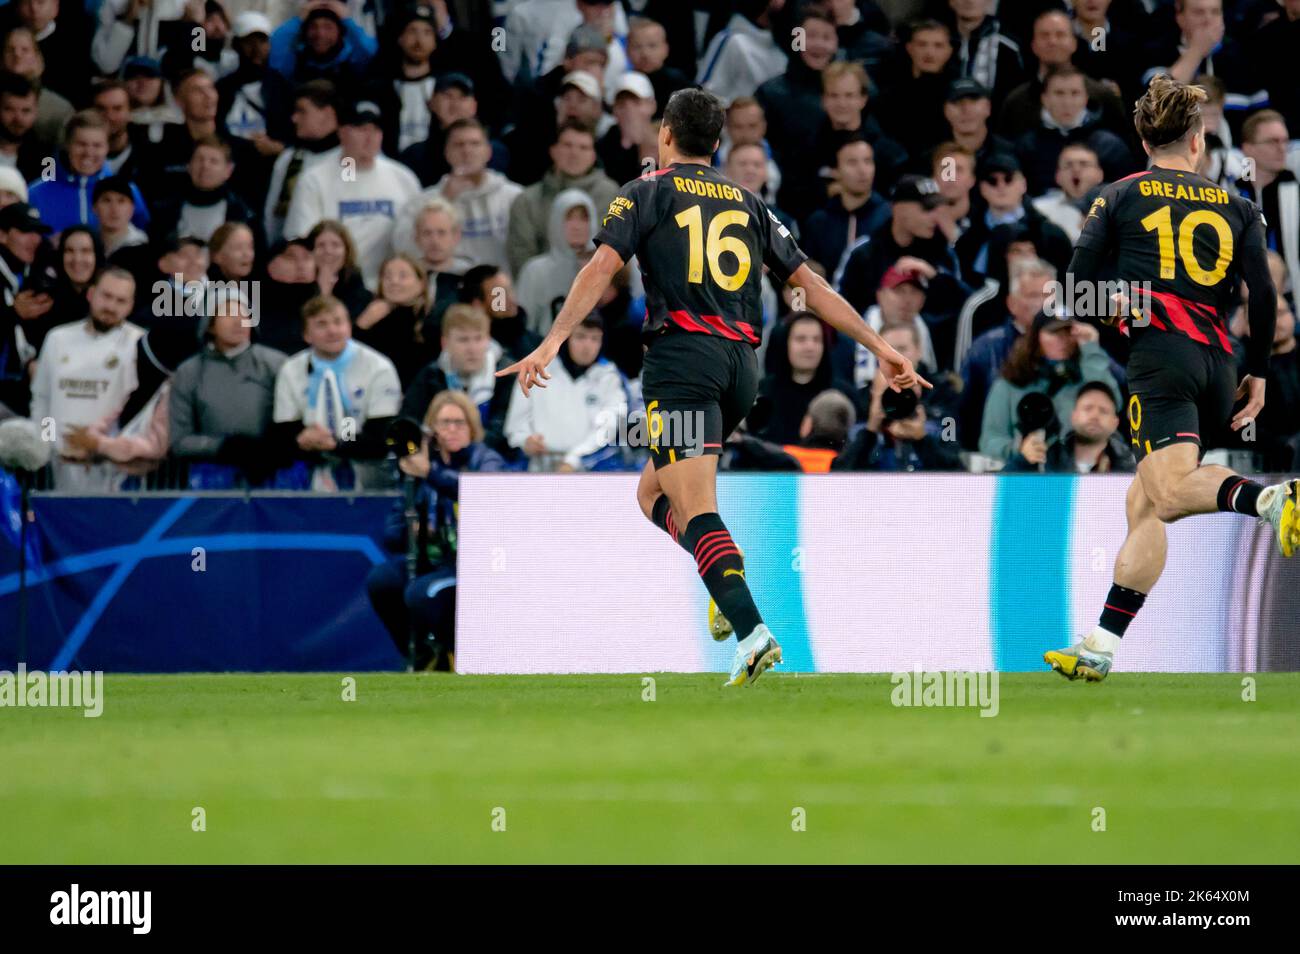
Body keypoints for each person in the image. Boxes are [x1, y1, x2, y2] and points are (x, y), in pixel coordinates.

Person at [498, 88, 928, 687]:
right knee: (653, 496)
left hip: (681, 363)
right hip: (739, 370)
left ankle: (752, 632)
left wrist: (549, 342)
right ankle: (721, 562)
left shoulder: (644, 192)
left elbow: (600, 268)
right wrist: (882, 347)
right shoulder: (750, 202)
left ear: (665, 135)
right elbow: (812, 285)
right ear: (718, 145)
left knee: (698, 510)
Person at [1046, 75, 1297, 683]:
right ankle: (1101, 645)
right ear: (1198, 138)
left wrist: (1131, 298)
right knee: (1145, 504)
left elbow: (1074, 292)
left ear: (1141, 137)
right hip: (1220, 364)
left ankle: (1272, 498)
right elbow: (1263, 296)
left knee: (1164, 492)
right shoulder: (1240, 206)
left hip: (1160, 362)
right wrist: (1259, 371)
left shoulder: (1120, 195)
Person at [366, 386, 505, 671]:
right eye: (445, 423)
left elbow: (483, 491)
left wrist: (431, 473)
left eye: (459, 422)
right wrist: (413, 528)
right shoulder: (419, 466)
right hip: (433, 560)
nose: (452, 430)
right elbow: (392, 536)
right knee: (382, 580)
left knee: (421, 594)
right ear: (433, 430)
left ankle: (456, 655)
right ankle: (421, 655)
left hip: (472, 564)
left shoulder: (485, 458)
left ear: (472, 426)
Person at [271, 293, 402, 491]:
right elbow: (284, 428)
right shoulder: (291, 369)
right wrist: (303, 437)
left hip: (367, 467)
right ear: (306, 334)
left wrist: (338, 444)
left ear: (349, 327)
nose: (332, 330)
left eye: (338, 322)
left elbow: (382, 433)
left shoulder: (378, 367)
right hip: (308, 465)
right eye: (321, 324)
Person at [29, 267, 143, 490]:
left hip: (113, 470)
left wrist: (104, 448)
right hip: (58, 465)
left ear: (130, 306)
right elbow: (42, 401)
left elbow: (140, 413)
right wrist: (48, 445)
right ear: (91, 295)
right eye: (106, 296)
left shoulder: (139, 344)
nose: (111, 307)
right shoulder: (57, 338)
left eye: (121, 301)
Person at [168, 287, 287, 488]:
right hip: (209, 478)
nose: (238, 321)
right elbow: (179, 441)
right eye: (228, 313)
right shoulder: (189, 372)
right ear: (210, 325)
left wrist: (270, 449)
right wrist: (224, 447)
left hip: (271, 475)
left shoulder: (277, 365)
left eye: (244, 314)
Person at [504, 313, 627, 472]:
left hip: (592, 468)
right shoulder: (535, 371)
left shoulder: (610, 377)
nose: (587, 346)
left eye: (595, 339)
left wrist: (574, 459)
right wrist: (525, 440)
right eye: (580, 337)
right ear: (565, 339)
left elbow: (608, 428)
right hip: (537, 468)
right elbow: (515, 425)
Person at [1003, 380, 1136, 473]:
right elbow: (1001, 492)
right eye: (1087, 408)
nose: (1095, 415)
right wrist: (1024, 460)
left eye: (1103, 410)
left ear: (1115, 423)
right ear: (1074, 416)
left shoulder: (1132, 465)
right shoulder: (1046, 457)